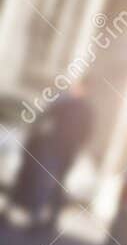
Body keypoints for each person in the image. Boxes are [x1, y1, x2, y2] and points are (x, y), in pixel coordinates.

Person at [4, 82, 94, 230]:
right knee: (45, 182)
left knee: (51, 183)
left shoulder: (78, 108)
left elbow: (85, 132)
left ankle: (44, 217)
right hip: (55, 148)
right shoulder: (70, 106)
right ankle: (39, 216)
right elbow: (47, 117)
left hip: (61, 150)